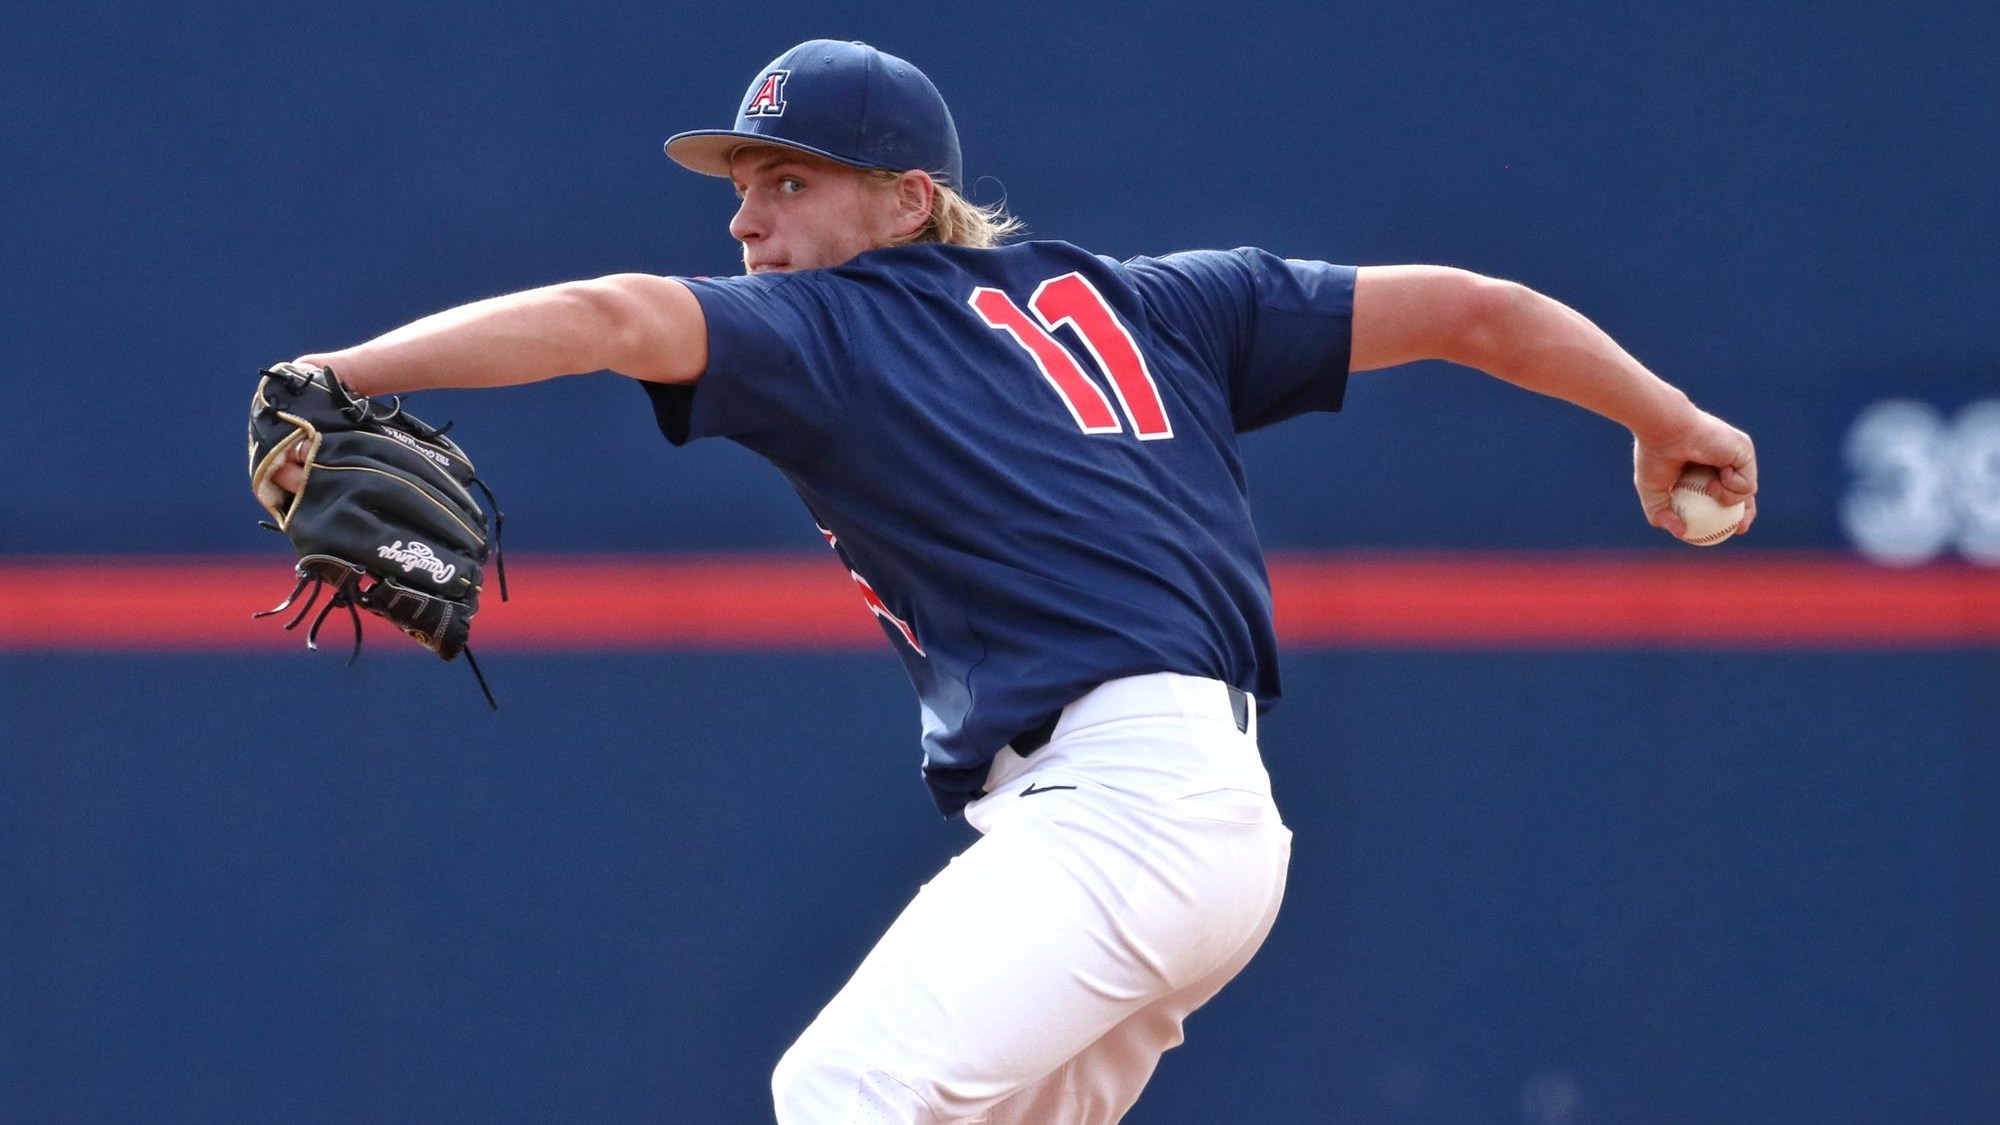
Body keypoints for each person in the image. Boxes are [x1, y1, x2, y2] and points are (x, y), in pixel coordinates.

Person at [264, 38, 1757, 1125]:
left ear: (907, 200)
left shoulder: (834, 329)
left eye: (787, 180)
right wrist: (1660, 414)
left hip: (1124, 815)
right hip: (1195, 826)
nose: (745, 219)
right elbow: (1474, 311)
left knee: (842, 1089)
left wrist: (340, 374)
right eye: (739, 184)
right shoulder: (1151, 300)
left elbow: (607, 313)